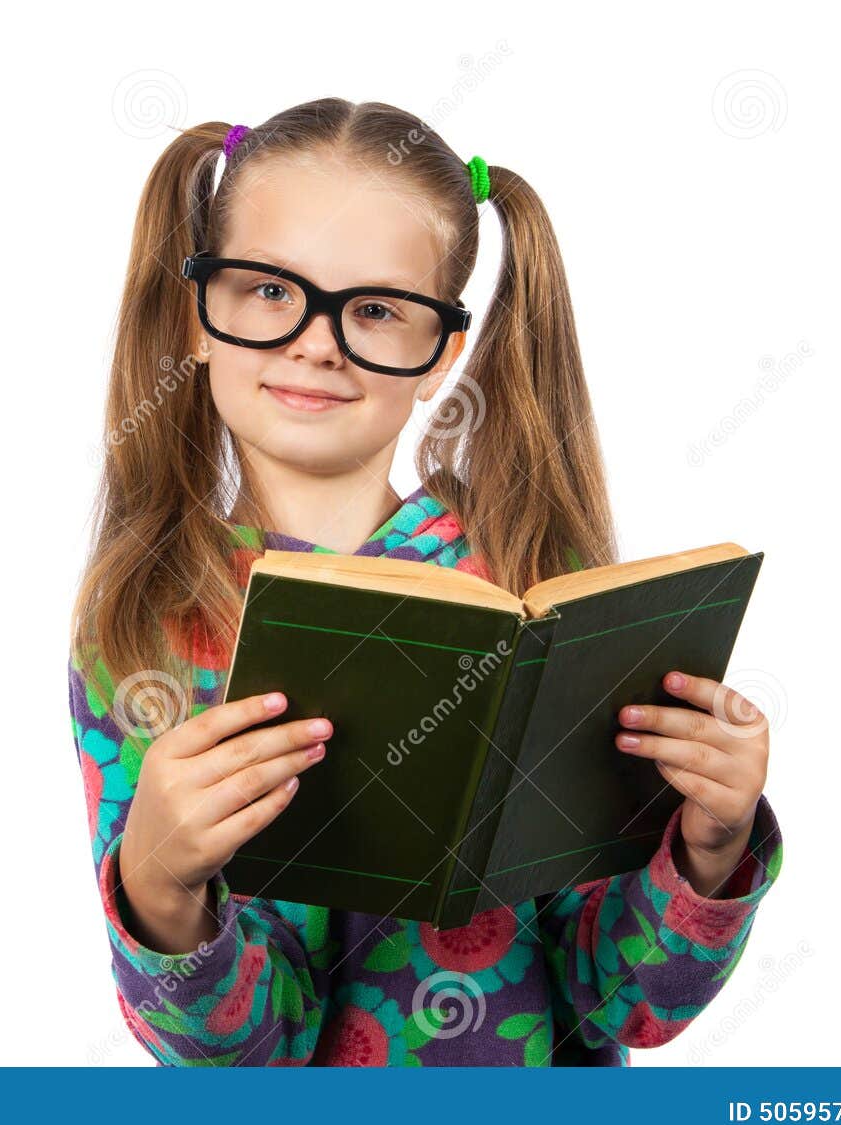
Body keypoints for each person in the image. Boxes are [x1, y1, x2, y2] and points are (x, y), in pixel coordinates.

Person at [67, 98, 784, 1065]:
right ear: (199, 311)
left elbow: (619, 1005)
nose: (315, 341)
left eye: (374, 309)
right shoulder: (142, 631)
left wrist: (709, 843)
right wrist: (158, 886)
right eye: (269, 290)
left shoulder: (537, 590)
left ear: (442, 351)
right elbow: (242, 1058)